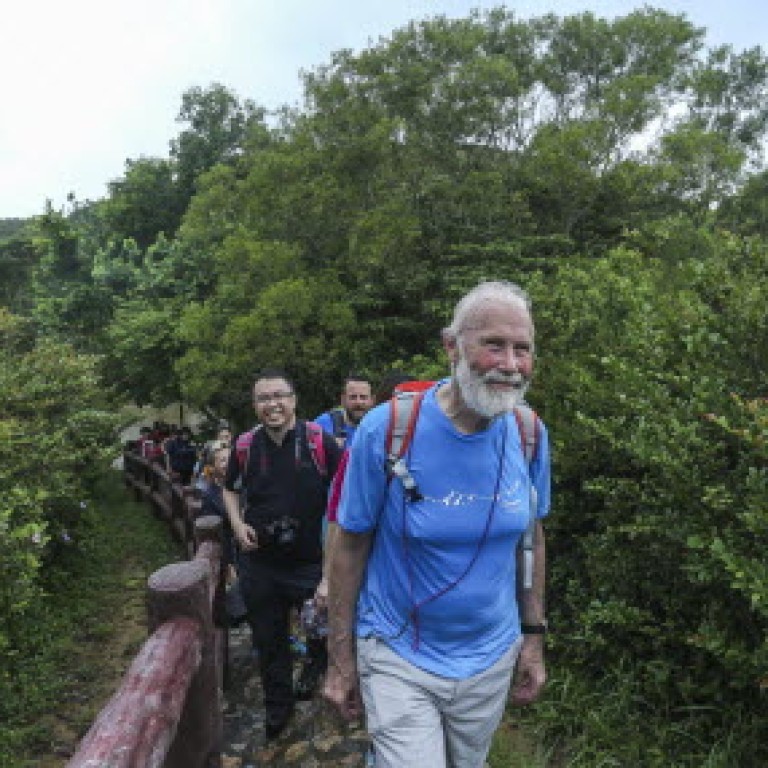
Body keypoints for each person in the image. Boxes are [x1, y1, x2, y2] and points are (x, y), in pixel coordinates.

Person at [323, 281, 551, 768]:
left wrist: (532, 638)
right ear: (452, 347)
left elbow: (531, 539)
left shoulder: (529, 434)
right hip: (397, 651)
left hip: (490, 656)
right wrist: (340, 660)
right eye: (494, 345)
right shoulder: (385, 430)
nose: (510, 364)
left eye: (522, 349)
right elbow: (348, 545)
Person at [223, 368, 343, 741]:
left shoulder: (320, 442)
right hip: (261, 563)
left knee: (318, 629)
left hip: (309, 560)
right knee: (268, 639)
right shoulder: (245, 446)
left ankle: (314, 668)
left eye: (279, 396)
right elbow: (229, 489)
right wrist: (237, 523)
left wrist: (331, 569)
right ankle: (278, 707)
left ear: (293, 400)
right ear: (255, 405)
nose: (272, 404)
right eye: (263, 398)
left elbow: (344, 499)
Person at [314, 374, 373, 448]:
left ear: (371, 400)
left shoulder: (378, 427)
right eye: (353, 397)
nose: (358, 402)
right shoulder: (324, 424)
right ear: (343, 400)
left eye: (363, 397)